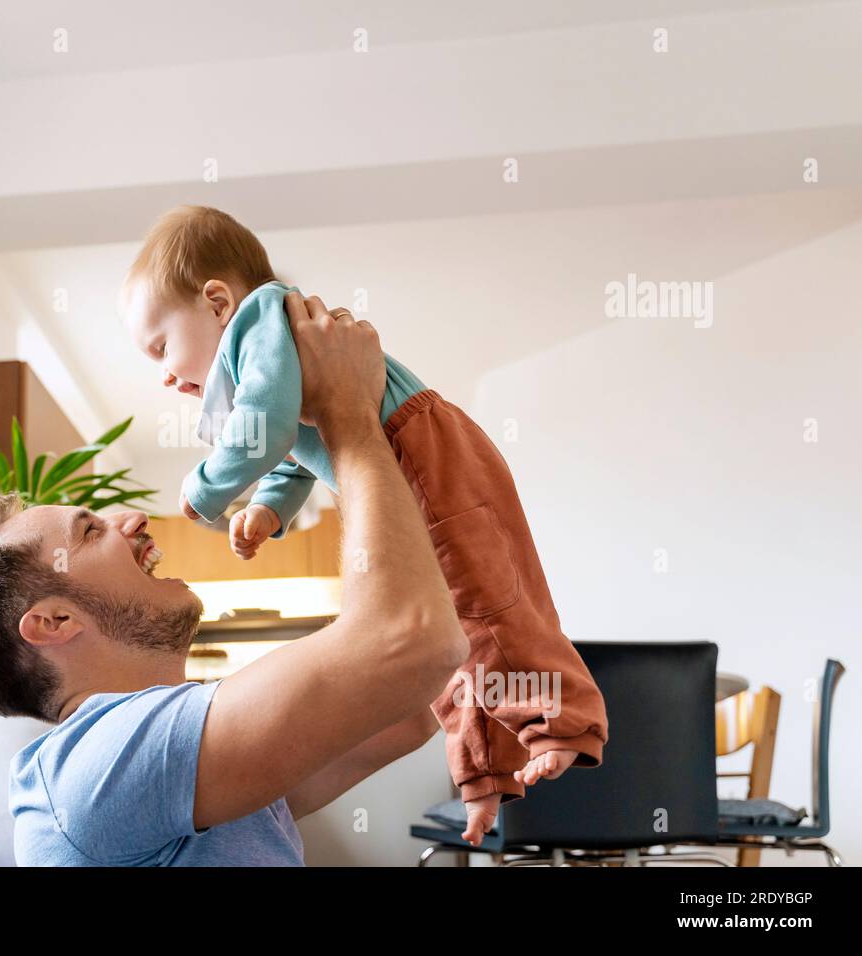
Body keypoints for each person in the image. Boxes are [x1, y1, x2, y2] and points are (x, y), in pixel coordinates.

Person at [119, 205, 609, 845]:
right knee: (451, 632)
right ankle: (486, 774)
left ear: (216, 302)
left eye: (161, 346)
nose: (162, 373)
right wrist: (271, 507)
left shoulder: (259, 318)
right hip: (413, 456)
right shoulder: (275, 357)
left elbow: (265, 423)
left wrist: (209, 486)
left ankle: (563, 719)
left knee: (484, 600)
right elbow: (299, 445)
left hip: (424, 450)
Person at [0, 293, 469, 864]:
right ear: (55, 621)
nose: (133, 520)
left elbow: (407, 705)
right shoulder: (96, 768)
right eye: (90, 532)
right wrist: (346, 412)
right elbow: (410, 645)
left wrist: (332, 438)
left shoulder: (183, 768)